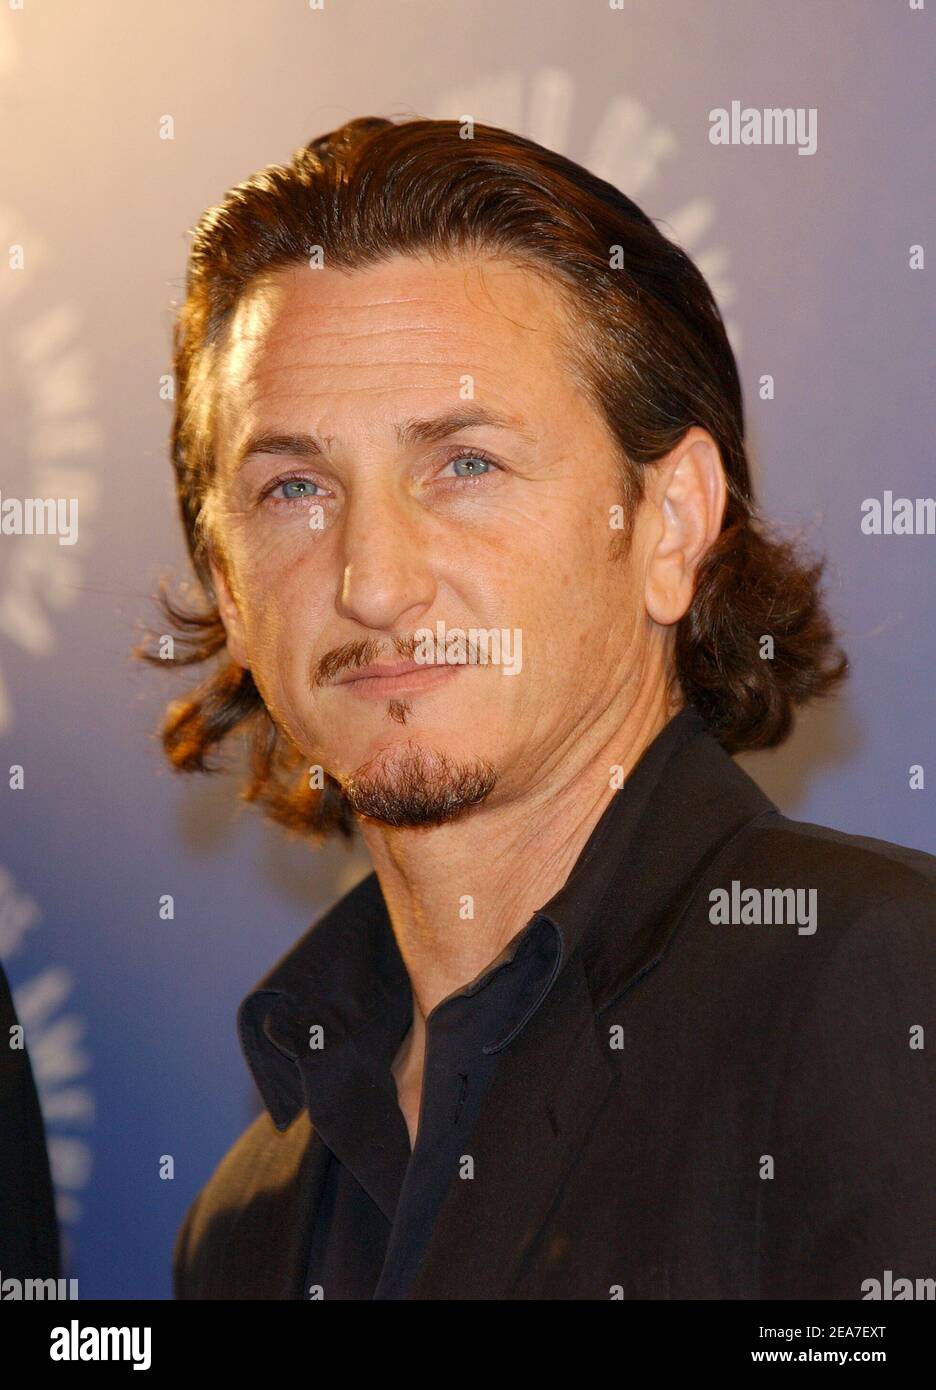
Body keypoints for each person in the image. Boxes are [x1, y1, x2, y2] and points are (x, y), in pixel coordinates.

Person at [147, 117, 935, 1299]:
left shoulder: (884, 996)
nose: (371, 578)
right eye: (295, 487)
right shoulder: (245, 1223)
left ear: (669, 526)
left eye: (464, 463)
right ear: (231, 592)